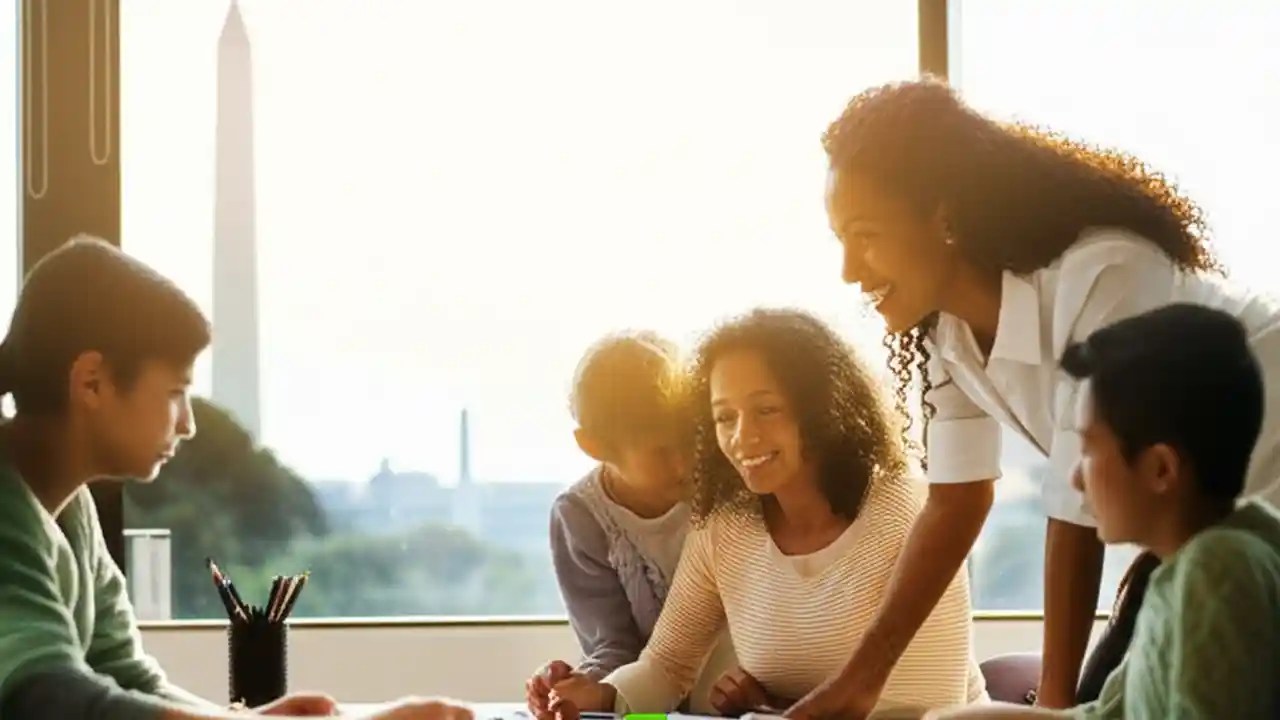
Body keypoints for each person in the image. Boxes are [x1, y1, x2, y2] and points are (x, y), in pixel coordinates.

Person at [789, 76, 1280, 716]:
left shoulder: (1101, 275)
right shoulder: (947, 333)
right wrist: (857, 684)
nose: (850, 270)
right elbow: (955, 502)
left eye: (865, 233)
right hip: (1209, 530)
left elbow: (1073, 513)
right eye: (840, 241)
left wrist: (1049, 710)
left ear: (942, 215)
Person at [0, 235, 474, 720]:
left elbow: (126, 676)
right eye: (174, 391)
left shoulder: (70, 507)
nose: (187, 423)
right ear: (92, 382)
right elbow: (46, 698)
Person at [538, 309, 985, 718]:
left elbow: (928, 700)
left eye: (766, 410)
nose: (742, 437)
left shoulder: (905, 508)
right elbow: (667, 666)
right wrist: (593, 697)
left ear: (820, 408)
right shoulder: (723, 525)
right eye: (724, 417)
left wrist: (782, 708)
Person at [927, 304, 1280, 719]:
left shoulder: (1216, 570)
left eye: (1090, 449)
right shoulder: (1184, 569)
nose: (1076, 478)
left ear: (1160, 469)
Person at [525, 332, 734, 717]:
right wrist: (577, 685)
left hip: (746, 697)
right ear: (594, 447)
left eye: (690, 441)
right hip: (652, 707)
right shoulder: (581, 517)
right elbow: (612, 645)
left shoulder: (728, 486)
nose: (684, 464)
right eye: (660, 451)